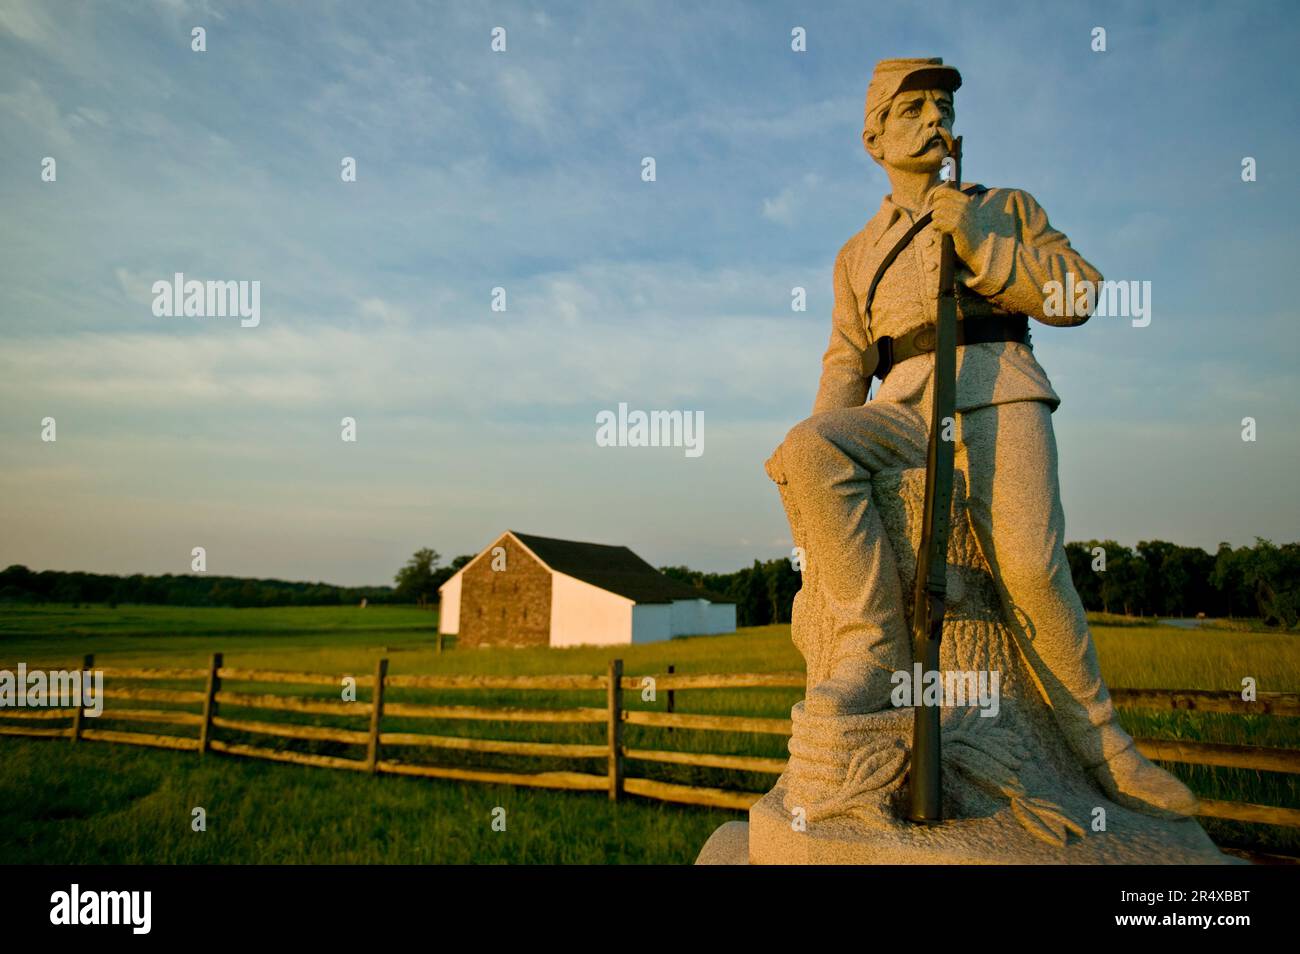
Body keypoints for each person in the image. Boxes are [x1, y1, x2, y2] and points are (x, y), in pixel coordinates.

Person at [764, 57, 1196, 818]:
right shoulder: (857, 254)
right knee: (809, 447)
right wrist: (810, 444)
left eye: (942, 107)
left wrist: (985, 247)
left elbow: (1079, 293)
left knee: (1029, 568)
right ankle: (874, 646)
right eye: (914, 108)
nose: (935, 119)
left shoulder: (1004, 205)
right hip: (904, 409)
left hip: (997, 388)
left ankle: (1107, 749)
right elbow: (846, 364)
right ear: (874, 138)